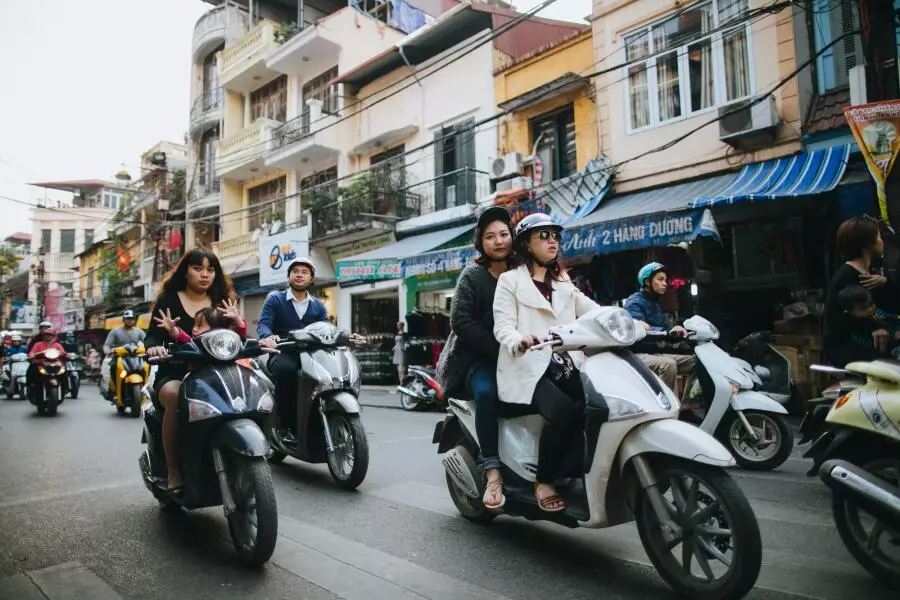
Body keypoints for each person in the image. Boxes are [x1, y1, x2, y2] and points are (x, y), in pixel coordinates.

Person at [493, 213, 602, 513]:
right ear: (526, 244)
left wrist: (628, 321)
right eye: (543, 235)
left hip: (566, 364)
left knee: (599, 406)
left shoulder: (564, 281)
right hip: (527, 366)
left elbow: (593, 311)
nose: (552, 240)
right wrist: (519, 340)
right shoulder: (509, 281)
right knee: (564, 413)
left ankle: (578, 468)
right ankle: (543, 480)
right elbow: (503, 326)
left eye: (555, 234)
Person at [437, 206, 513, 510]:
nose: (498, 241)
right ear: (480, 242)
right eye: (490, 236)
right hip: (475, 361)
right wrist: (500, 350)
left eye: (504, 234)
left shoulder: (523, 274)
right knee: (486, 394)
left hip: (521, 357)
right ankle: (492, 469)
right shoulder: (472, 276)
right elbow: (461, 322)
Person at [145, 248, 236, 494]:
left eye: (210, 269)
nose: (205, 275)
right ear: (185, 272)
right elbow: (153, 335)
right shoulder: (169, 301)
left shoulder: (222, 301)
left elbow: (235, 336)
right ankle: (174, 469)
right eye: (198, 268)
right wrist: (154, 348)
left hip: (216, 371)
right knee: (175, 395)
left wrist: (255, 338)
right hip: (175, 372)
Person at [257, 257, 330, 443]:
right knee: (288, 372)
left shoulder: (318, 306)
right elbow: (264, 324)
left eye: (304, 272)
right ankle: (286, 427)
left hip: (311, 355)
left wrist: (349, 337)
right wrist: (268, 337)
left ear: (311, 279)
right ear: (289, 276)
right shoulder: (275, 299)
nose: (299, 275)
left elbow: (328, 328)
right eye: (295, 271)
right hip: (282, 352)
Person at [825, 217, 900, 367]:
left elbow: (895, 306)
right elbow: (838, 319)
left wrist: (886, 284)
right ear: (867, 244)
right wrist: (877, 327)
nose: (882, 241)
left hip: (874, 343)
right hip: (851, 347)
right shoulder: (846, 275)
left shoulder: (871, 274)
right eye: (878, 236)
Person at [624, 262, 695, 392]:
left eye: (665, 280)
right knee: (668, 365)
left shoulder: (655, 305)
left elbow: (667, 330)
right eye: (660, 279)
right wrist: (667, 333)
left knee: (696, 362)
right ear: (647, 282)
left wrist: (678, 333)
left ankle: (689, 403)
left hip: (656, 353)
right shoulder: (634, 303)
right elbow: (641, 330)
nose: (665, 284)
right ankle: (667, 409)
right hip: (637, 355)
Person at [154, 299, 247, 348]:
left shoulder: (228, 343)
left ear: (215, 329)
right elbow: (180, 336)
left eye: (200, 325)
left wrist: (236, 318)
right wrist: (172, 329)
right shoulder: (194, 344)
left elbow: (240, 335)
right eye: (195, 324)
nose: (194, 328)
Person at [103, 310, 146, 395]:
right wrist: (108, 351)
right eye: (127, 319)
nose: (129, 320)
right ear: (123, 320)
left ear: (134, 320)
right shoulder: (115, 331)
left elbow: (148, 342)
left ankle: (145, 390)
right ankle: (113, 390)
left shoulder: (139, 331)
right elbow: (107, 345)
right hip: (119, 358)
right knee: (113, 368)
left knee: (145, 369)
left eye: (131, 318)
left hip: (136, 357)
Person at [27, 325, 66, 396]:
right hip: (41, 364)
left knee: (64, 372)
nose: (48, 336)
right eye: (46, 335)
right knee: (32, 368)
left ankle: (65, 388)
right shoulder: (38, 344)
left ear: (53, 336)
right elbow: (32, 352)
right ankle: (30, 385)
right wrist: (32, 355)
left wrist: (65, 355)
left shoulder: (57, 345)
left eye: (50, 335)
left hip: (55, 364)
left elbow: (63, 352)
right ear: (43, 336)